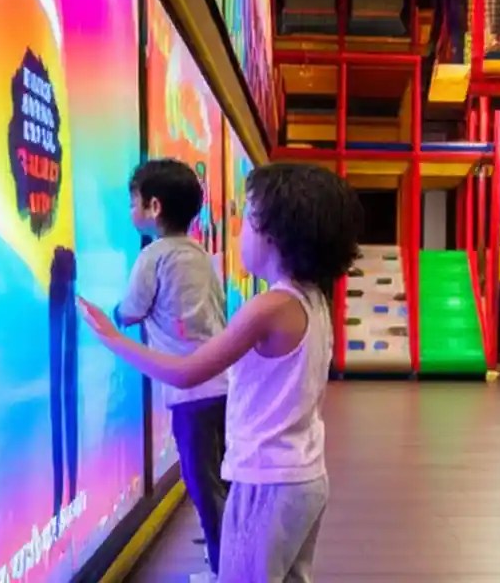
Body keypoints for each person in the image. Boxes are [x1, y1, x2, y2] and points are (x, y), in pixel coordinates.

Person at [80, 162, 362, 583]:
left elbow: (187, 373)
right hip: (305, 476)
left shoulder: (268, 308)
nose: (240, 232)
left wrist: (114, 338)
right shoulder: (313, 301)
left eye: (247, 220)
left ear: (275, 235)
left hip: (266, 482)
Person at [113, 159, 229, 577]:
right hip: (223, 387)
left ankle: (224, 569)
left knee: (203, 487)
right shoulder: (200, 253)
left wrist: (114, 314)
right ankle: (228, 556)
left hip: (190, 394)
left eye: (133, 203)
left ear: (154, 206)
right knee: (223, 482)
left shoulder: (153, 257)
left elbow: (130, 310)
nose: (131, 211)